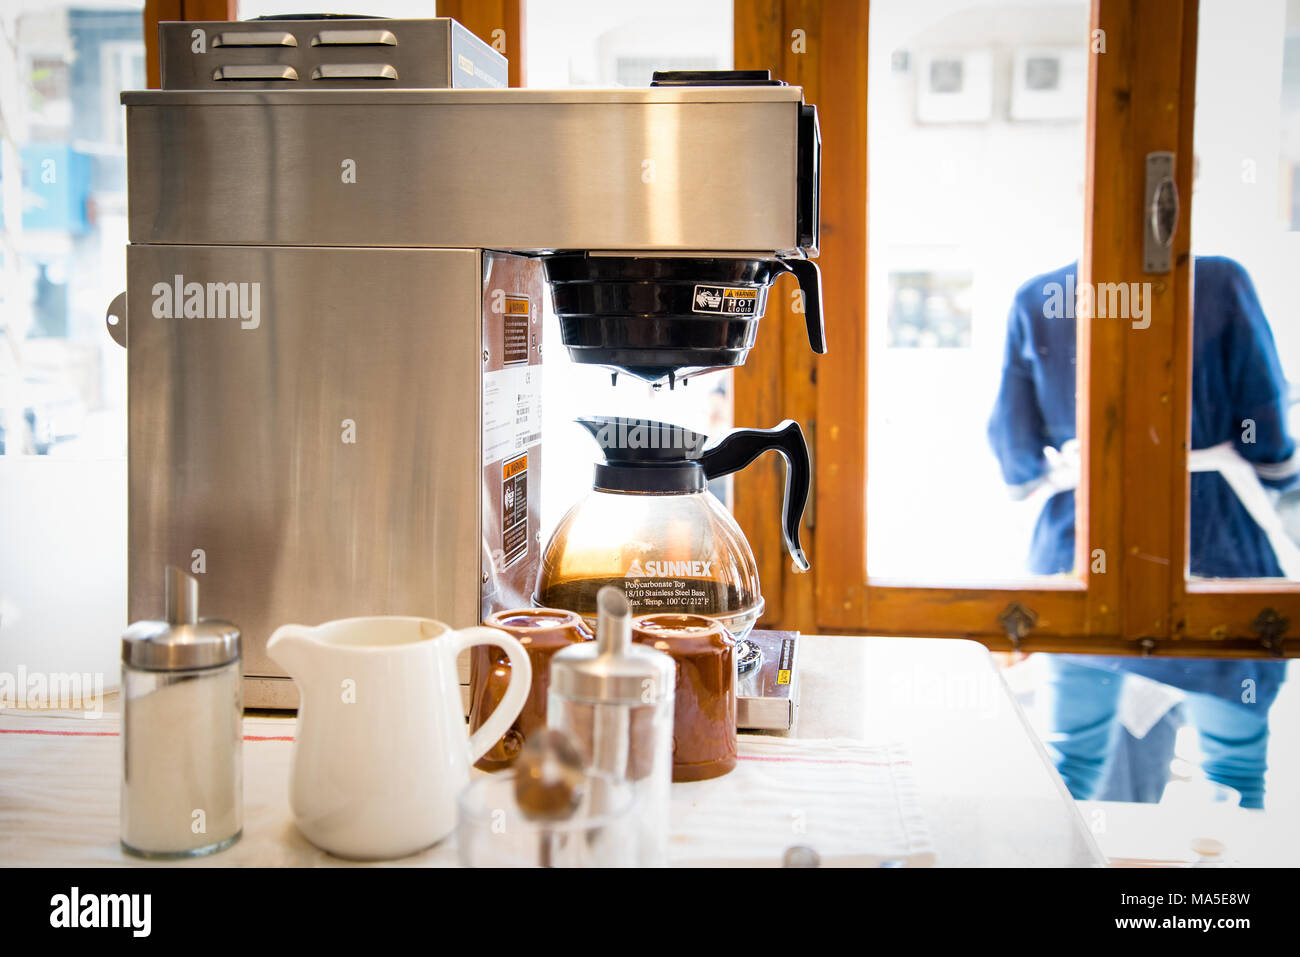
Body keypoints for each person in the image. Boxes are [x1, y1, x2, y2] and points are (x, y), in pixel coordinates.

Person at [988, 257, 1296, 808]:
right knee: (1233, 771)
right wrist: (1274, 472)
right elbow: (1265, 421)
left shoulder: (1039, 295)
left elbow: (1013, 445)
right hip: (1213, 546)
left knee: (1070, 766)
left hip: (1078, 551)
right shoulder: (1221, 281)